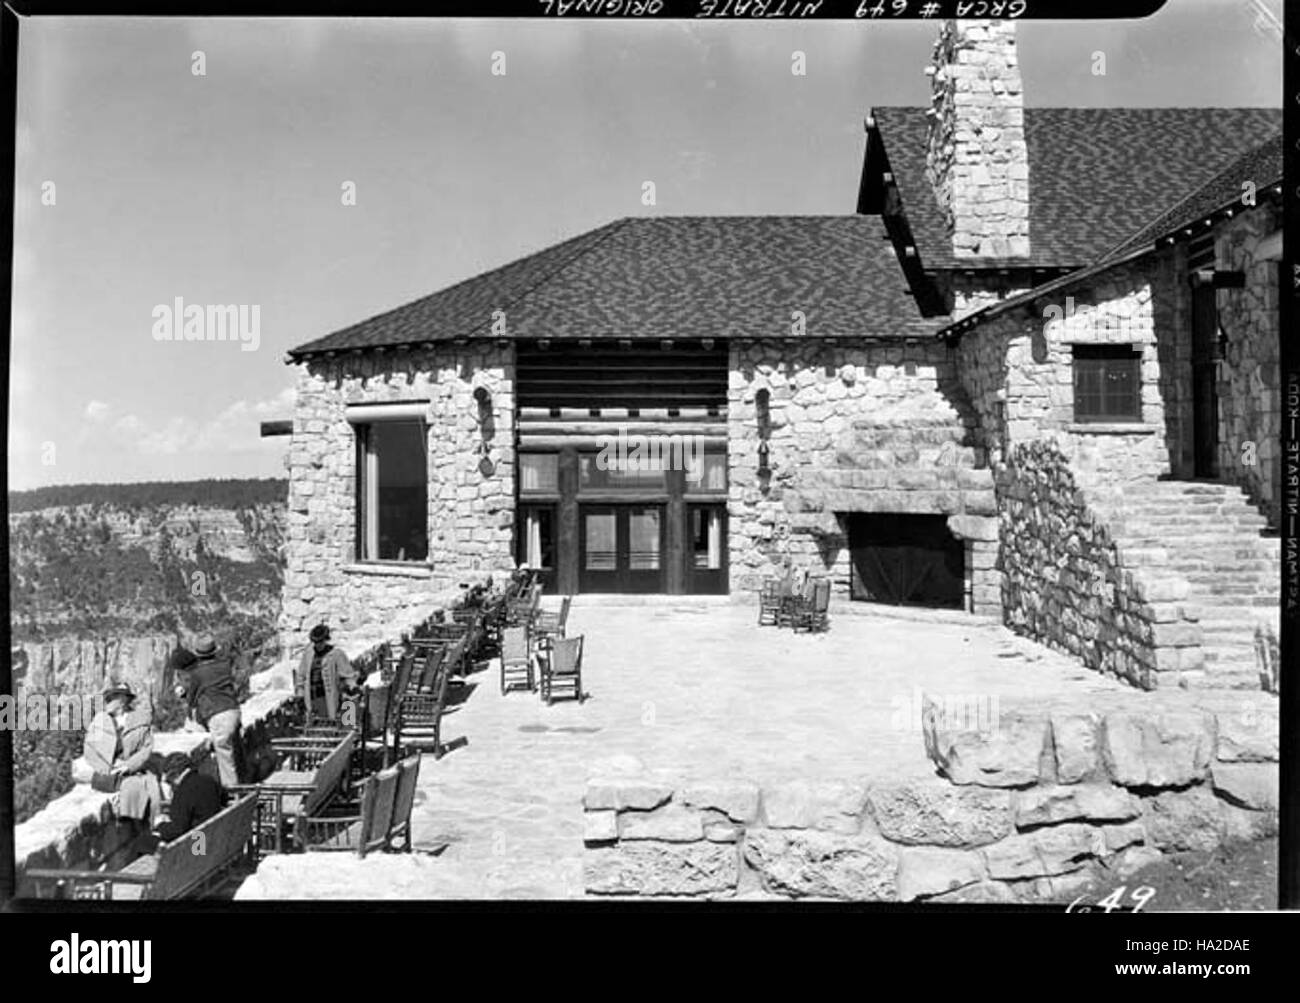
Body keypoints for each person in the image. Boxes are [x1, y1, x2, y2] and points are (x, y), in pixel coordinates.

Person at [81, 682, 163, 867]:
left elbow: (146, 749)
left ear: (123, 700)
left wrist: (128, 766)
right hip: (110, 773)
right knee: (128, 794)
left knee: (138, 791)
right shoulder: (100, 722)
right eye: (107, 698)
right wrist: (105, 767)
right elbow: (90, 750)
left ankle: (143, 841)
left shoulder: (140, 721)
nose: (108, 701)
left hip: (132, 770)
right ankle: (138, 845)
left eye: (113, 697)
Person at [174, 634, 242, 789]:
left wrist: (183, 694)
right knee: (237, 753)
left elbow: (192, 699)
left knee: (225, 757)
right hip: (234, 710)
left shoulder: (198, 673)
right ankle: (244, 784)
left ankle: (232, 794)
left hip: (218, 715)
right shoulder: (224, 665)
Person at [294, 624, 358, 725]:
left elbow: (347, 675)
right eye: (316, 642)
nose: (318, 645)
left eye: (320, 642)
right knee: (313, 723)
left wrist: (352, 686)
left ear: (325, 640)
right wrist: (300, 694)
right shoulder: (308, 654)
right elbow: (301, 675)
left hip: (327, 697)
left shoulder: (337, 654)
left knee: (328, 722)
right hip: (311, 697)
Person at [155, 752, 223, 843]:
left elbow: (177, 830)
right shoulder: (209, 780)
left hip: (198, 847)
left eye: (169, 781)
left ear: (174, 774)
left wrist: (160, 825)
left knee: (142, 844)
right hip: (217, 837)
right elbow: (223, 798)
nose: (171, 786)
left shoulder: (183, 792)